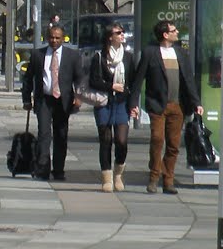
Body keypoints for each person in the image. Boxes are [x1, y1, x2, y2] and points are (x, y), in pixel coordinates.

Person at [128, 17, 202, 195]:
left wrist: (196, 102)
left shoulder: (181, 53)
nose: (177, 33)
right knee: (157, 139)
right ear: (165, 34)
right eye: (174, 30)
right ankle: (153, 177)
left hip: (178, 106)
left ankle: (168, 179)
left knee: (174, 144)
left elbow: (188, 81)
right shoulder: (150, 53)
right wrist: (133, 104)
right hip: (157, 105)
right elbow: (138, 80)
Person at [22, 23, 83, 181]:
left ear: (63, 39)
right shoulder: (38, 55)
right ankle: (43, 168)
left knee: (61, 135)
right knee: (44, 133)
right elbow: (28, 78)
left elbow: (79, 78)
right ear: (47, 38)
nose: (54, 40)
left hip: (63, 101)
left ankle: (58, 170)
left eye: (57, 38)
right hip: (44, 99)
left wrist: (78, 97)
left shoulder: (72, 56)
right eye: (51, 37)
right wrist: (26, 99)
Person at [88, 21, 138, 192]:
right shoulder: (99, 56)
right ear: (110, 36)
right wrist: (111, 86)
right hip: (104, 102)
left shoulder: (129, 57)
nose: (122, 35)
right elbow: (93, 81)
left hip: (122, 103)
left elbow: (133, 83)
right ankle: (107, 178)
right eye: (118, 33)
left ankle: (118, 174)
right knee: (106, 139)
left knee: (121, 141)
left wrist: (134, 104)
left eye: (123, 32)